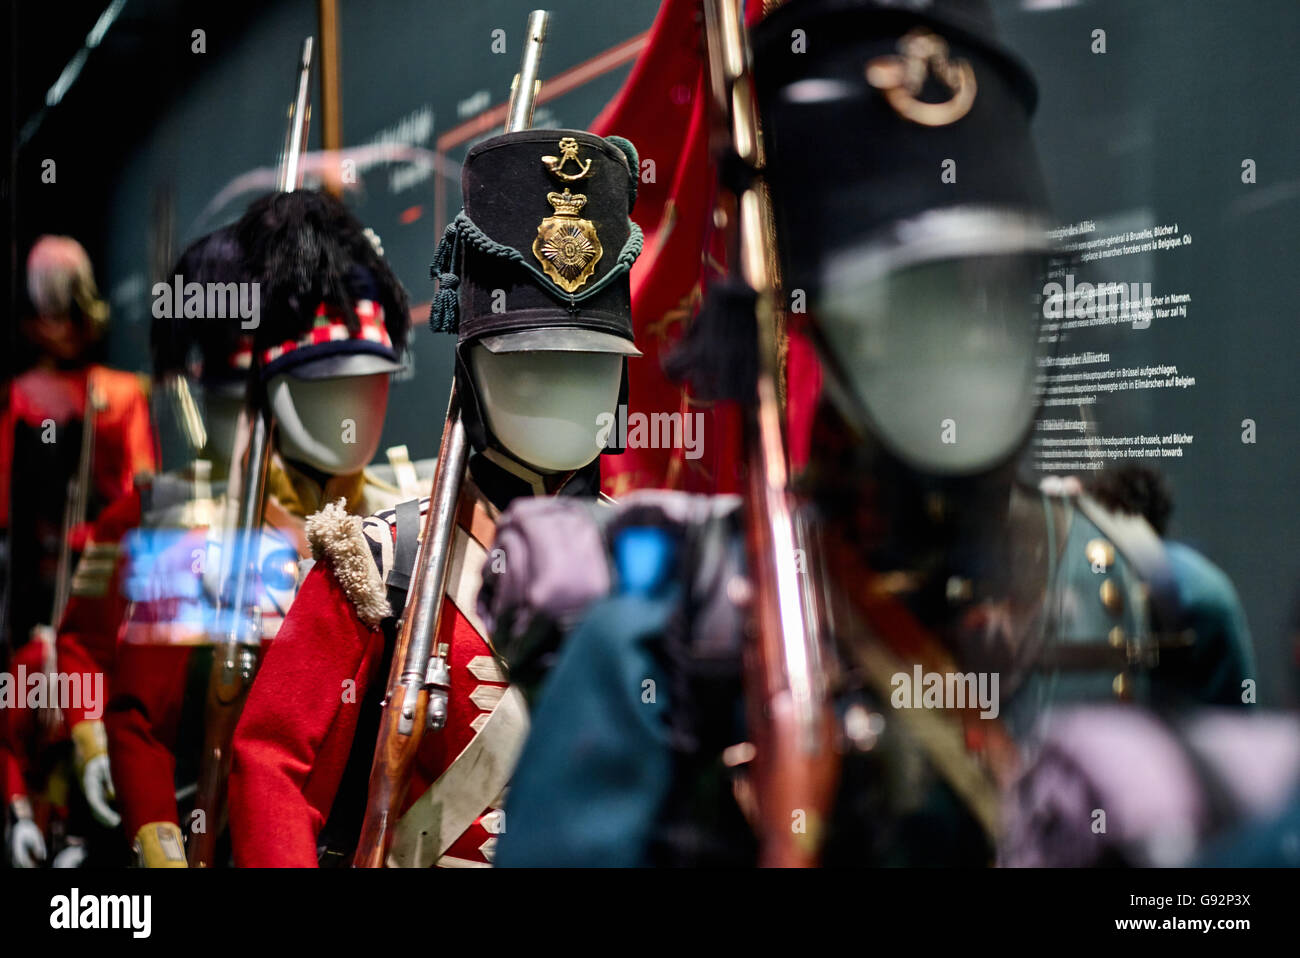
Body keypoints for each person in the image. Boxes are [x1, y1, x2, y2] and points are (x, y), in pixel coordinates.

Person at [482, 0, 1256, 867]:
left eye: (1000, 289)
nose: (969, 334)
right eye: (909, 304)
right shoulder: (666, 642)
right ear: (823, 326)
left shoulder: (1170, 608)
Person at [228, 127, 643, 867]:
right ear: (474, 370)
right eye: (532, 367)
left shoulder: (649, 561)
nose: (564, 395)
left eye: (590, 366)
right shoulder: (380, 565)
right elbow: (270, 768)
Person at [103, 190, 420, 867]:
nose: (354, 411)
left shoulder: (410, 520)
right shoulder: (197, 531)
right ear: (274, 386)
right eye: (324, 387)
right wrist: (161, 842)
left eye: (372, 382)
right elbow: (140, 722)